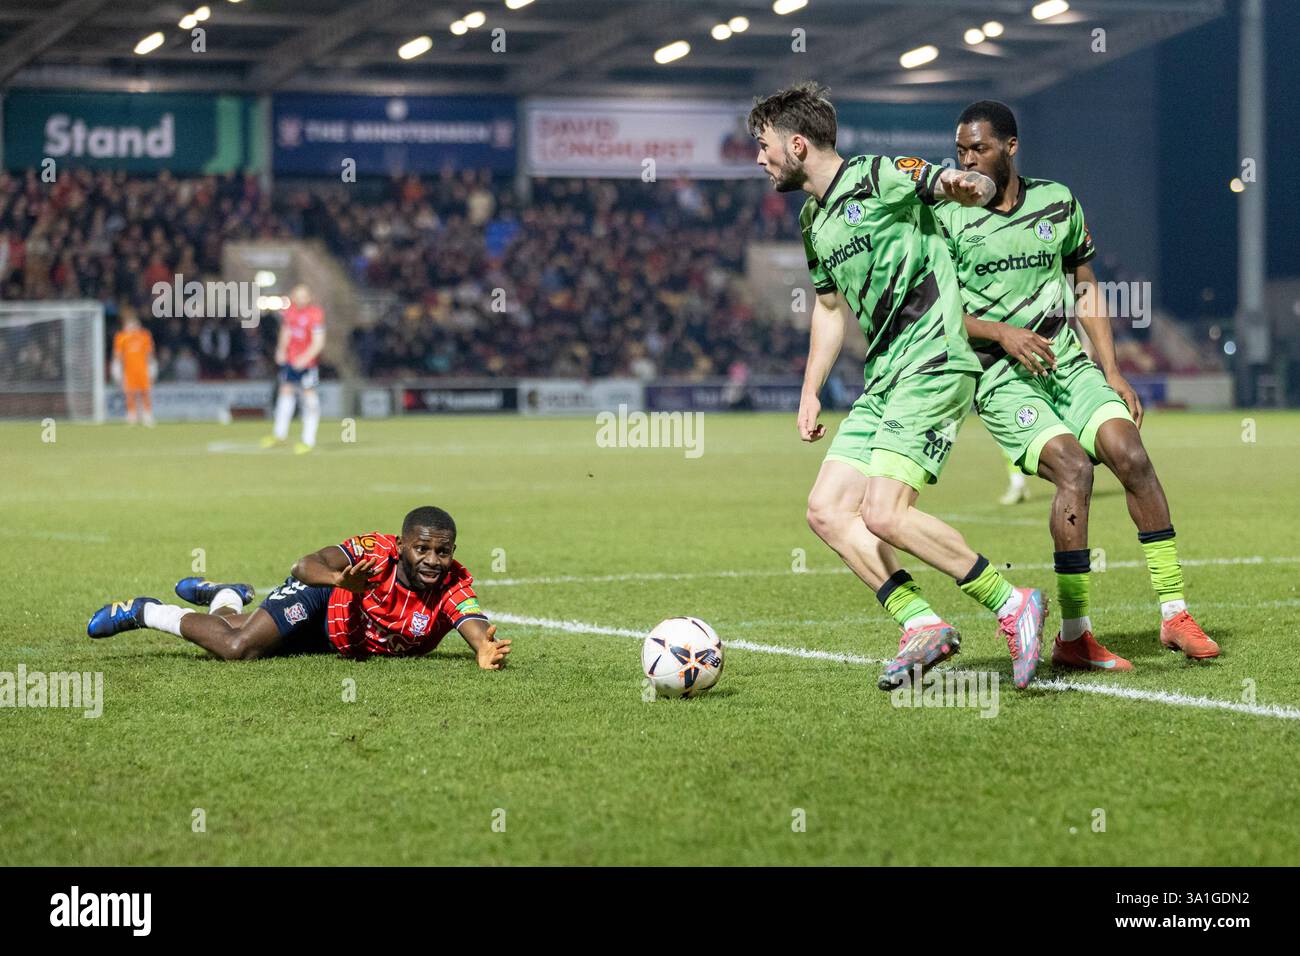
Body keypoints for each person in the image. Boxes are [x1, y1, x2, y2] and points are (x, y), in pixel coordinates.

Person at [748, 81, 1048, 691]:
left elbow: (949, 182)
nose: (760, 158)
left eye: (764, 145)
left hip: (934, 358)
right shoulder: (812, 220)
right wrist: (810, 390)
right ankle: (921, 625)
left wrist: (974, 184)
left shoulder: (877, 173)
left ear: (798, 144)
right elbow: (829, 310)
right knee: (828, 511)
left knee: (884, 513)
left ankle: (1013, 604)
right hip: (885, 375)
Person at [932, 100, 1216, 669]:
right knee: (1074, 468)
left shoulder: (1057, 202)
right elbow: (936, 310)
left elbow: (1085, 286)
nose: (966, 161)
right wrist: (1001, 333)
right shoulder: (944, 216)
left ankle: (1174, 614)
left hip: (1067, 362)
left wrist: (1110, 368)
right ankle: (1074, 634)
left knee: (1129, 453)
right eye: (960, 150)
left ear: (1010, 148)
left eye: (978, 149)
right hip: (1001, 375)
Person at [86, 506, 511, 669]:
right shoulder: (374, 552)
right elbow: (304, 565)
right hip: (321, 600)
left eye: (443, 551)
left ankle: (223, 595)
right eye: (422, 549)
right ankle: (146, 611)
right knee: (239, 647)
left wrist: (482, 648)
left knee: (231, 625)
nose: (433, 561)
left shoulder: (452, 580)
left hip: (334, 641)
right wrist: (338, 581)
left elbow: (470, 618)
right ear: (401, 546)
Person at [262, 284, 325, 454]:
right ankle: (279, 434)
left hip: (307, 364)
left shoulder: (315, 314)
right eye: (297, 295)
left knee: (309, 397)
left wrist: (305, 358)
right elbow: (286, 331)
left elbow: (319, 342)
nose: (300, 299)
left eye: (303, 296)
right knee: (285, 392)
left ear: (309, 297)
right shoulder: (290, 312)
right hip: (291, 361)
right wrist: (281, 349)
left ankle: (308, 440)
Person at [111, 308, 156, 427]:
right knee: (130, 393)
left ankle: (147, 415)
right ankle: (132, 415)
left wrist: (152, 367)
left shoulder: (144, 335)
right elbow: (118, 355)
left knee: (145, 392)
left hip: (143, 369)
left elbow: (149, 354)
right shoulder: (121, 337)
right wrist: (116, 368)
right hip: (128, 370)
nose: (132, 326)